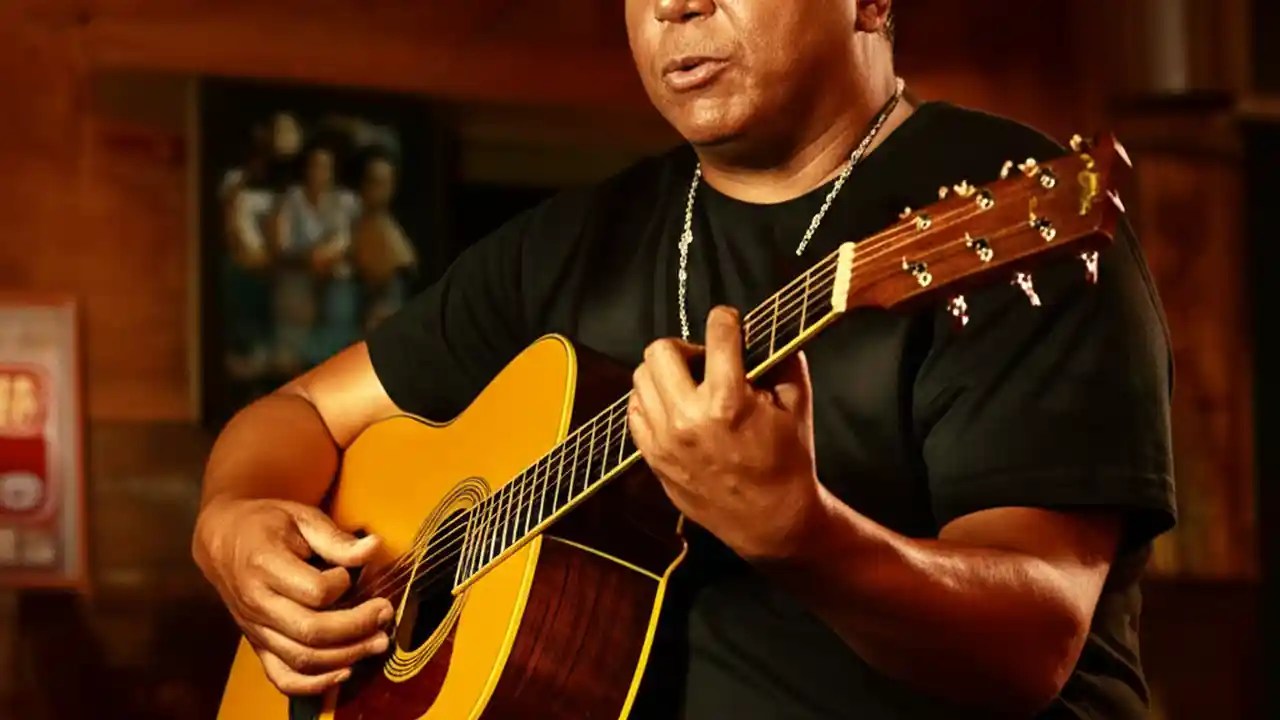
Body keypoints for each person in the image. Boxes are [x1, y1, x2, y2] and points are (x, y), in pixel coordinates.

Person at [191, 1, 1176, 717]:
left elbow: (1034, 642)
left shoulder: (999, 214)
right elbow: (301, 417)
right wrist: (233, 525)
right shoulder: (570, 243)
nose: (674, 6)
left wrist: (806, 538)